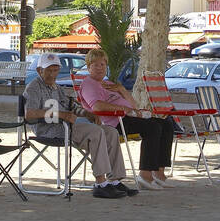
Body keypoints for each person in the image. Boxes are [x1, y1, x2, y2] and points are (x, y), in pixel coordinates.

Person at [23, 52, 137, 197]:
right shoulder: (34, 87)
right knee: (95, 132)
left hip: (65, 126)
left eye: (55, 70)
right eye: (49, 70)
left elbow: (71, 106)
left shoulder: (57, 88)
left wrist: (88, 114)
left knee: (110, 132)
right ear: (40, 70)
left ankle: (114, 180)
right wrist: (59, 114)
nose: (52, 74)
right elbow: (29, 114)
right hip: (48, 129)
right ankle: (100, 183)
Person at [79, 49, 176, 190]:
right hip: (112, 122)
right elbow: (97, 106)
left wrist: (122, 90)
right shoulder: (89, 84)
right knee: (153, 127)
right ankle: (145, 174)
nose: (100, 68)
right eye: (95, 65)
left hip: (125, 118)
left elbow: (133, 105)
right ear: (88, 67)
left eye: (103, 65)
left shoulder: (108, 84)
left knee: (166, 123)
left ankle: (159, 172)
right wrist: (125, 110)